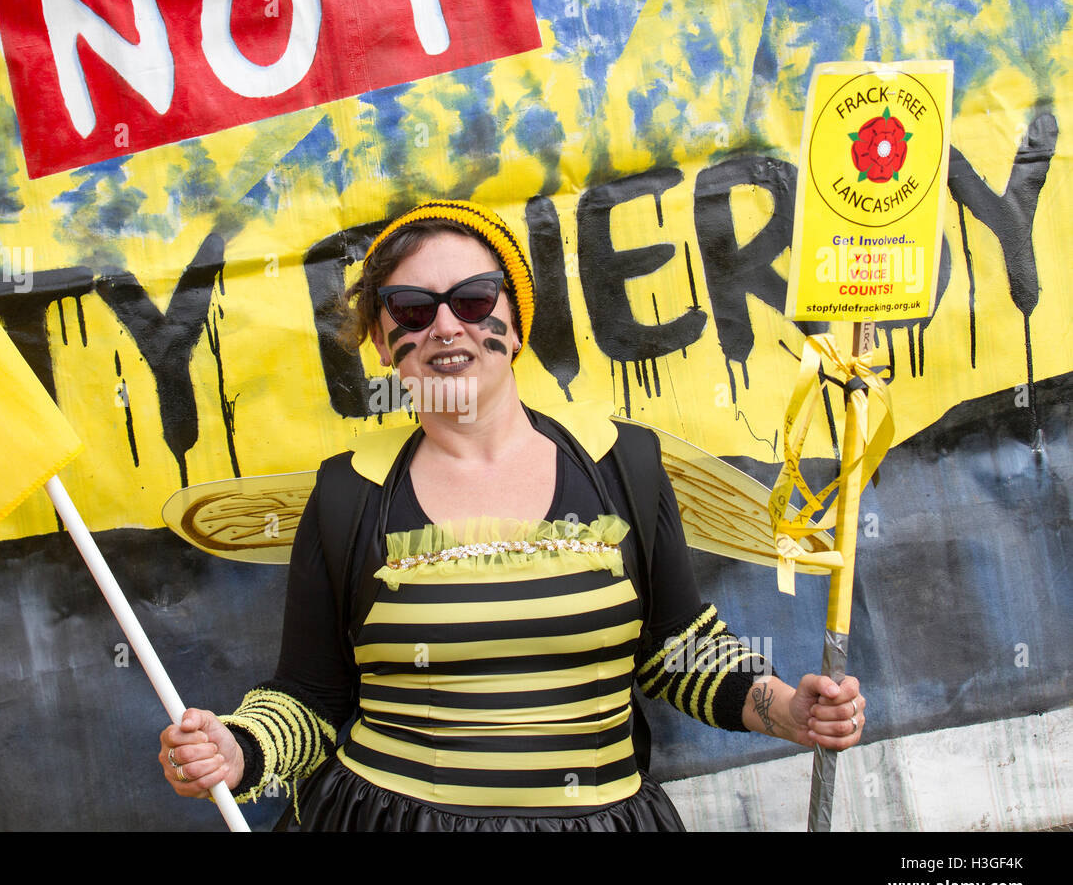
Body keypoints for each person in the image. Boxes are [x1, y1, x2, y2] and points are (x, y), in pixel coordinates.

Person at [159, 200, 866, 830]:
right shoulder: (350, 494)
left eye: (472, 299)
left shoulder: (623, 463)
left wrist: (786, 710)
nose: (444, 326)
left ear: (515, 323)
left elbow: (675, 651)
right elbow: (309, 699)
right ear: (381, 340)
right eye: (411, 307)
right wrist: (238, 748)